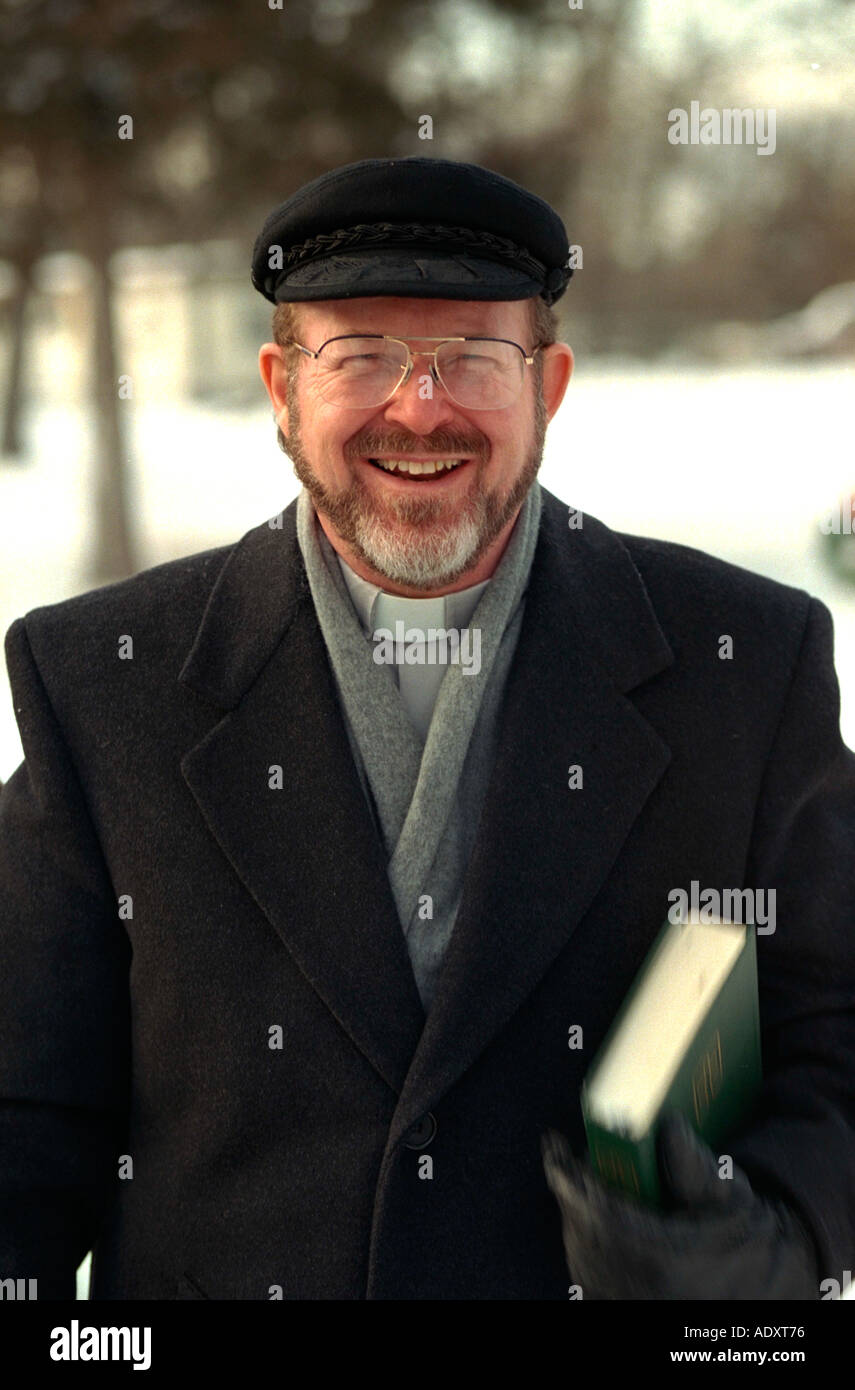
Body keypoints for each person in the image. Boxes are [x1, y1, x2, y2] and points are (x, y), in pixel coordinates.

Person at [0, 156, 852, 1301]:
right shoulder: (103, 687)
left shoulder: (747, 667)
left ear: (547, 385)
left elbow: (835, 1032)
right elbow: (27, 1121)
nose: (421, 404)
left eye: (472, 357)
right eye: (362, 356)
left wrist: (777, 1233)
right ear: (281, 388)